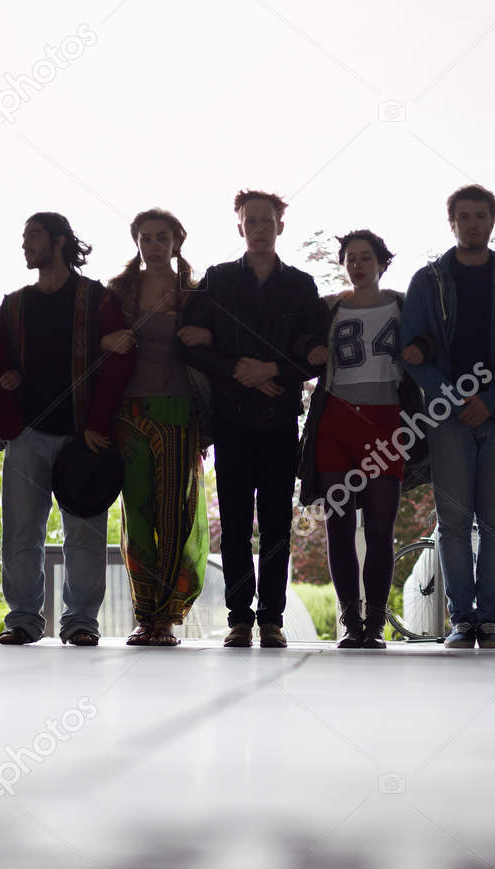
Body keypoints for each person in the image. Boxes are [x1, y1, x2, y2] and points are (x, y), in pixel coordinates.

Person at [179, 190, 326, 648]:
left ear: (280, 226)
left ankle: (273, 620)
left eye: (268, 220)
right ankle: (240, 618)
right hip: (231, 421)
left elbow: (320, 352)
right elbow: (187, 342)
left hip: (281, 420)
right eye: (251, 221)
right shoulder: (217, 280)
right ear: (239, 226)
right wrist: (238, 369)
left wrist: (273, 370)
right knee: (238, 524)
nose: (260, 228)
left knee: (278, 523)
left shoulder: (301, 286)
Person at [400, 183, 495, 649]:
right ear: (452, 222)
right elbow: (412, 353)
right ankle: (463, 620)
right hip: (446, 416)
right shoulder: (428, 280)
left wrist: (494, 398)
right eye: (465, 216)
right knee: (455, 522)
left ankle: (490, 622)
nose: (473, 223)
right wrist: (452, 399)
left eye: (481, 215)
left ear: (492, 221)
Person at [0, 212, 132, 646]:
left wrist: (96, 424)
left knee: (86, 533)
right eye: (23, 236)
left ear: (59, 241)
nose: (24, 244)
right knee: (20, 531)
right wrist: (7, 393)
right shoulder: (13, 304)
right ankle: (23, 619)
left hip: (82, 438)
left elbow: (122, 357)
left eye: (32, 235)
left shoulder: (97, 298)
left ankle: (81, 621)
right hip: (28, 434)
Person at [298, 229, 430, 648]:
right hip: (336, 419)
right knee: (338, 525)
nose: (357, 264)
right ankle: (349, 621)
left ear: (382, 262)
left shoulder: (400, 304)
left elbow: (427, 339)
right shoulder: (327, 307)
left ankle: (375, 623)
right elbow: (300, 342)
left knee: (379, 526)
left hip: (385, 421)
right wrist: (311, 349)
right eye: (350, 258)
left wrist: (420, 349)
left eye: (365, 257)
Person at [103, 209, 208, 647]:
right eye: (145, 237)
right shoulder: (119, 290)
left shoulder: (196, 293)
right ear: (137, 242)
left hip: (180, 409)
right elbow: (98, 341)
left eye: (161, 237)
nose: (153, 244)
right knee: (138, 515)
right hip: (129, 411)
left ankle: (166, 617)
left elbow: (210, 349)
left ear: (176, 241)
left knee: (175, 514)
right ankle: (145, 615)